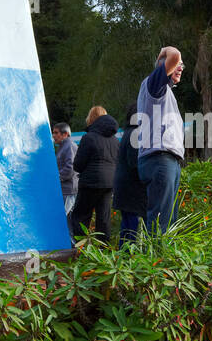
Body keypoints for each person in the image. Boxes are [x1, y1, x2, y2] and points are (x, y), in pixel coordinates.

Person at [136, 46, 185, 234]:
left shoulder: (164, 91)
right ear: (163, 66)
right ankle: (156, 261)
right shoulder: (154, 84)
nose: (180, 67)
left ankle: (164, 260)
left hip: (165, 160)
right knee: (161, 221)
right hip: (160, 159)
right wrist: (166, 50)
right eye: (177, 65)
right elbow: (174, 55)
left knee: (169, 219)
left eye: (182, 65)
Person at [71, 106, 119, 242]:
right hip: (109, 183)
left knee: (81, 216)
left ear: (90, 119)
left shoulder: (88, 138)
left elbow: (78, 165)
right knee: (103, 218)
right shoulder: (115, 141)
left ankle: (81, 249)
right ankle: (104, 250)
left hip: (90, 183)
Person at [113, 103, 148, 244]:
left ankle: (124, 256)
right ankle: (131, 256)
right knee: (133, 225)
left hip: (124, 185)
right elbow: (134, 162)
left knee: (127, 224)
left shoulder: (128, 132)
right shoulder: (136, 133)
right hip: (132, 187)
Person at [52, 123, 78, 227]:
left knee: (65, 220)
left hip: (69, 190)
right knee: (65, 220)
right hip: (66, 189)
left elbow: (70, 168)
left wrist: (56, 178)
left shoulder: (69, 146)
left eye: (56, 133)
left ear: (65, 134)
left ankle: (71, 243)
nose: (53, 135)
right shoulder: (63, 146)